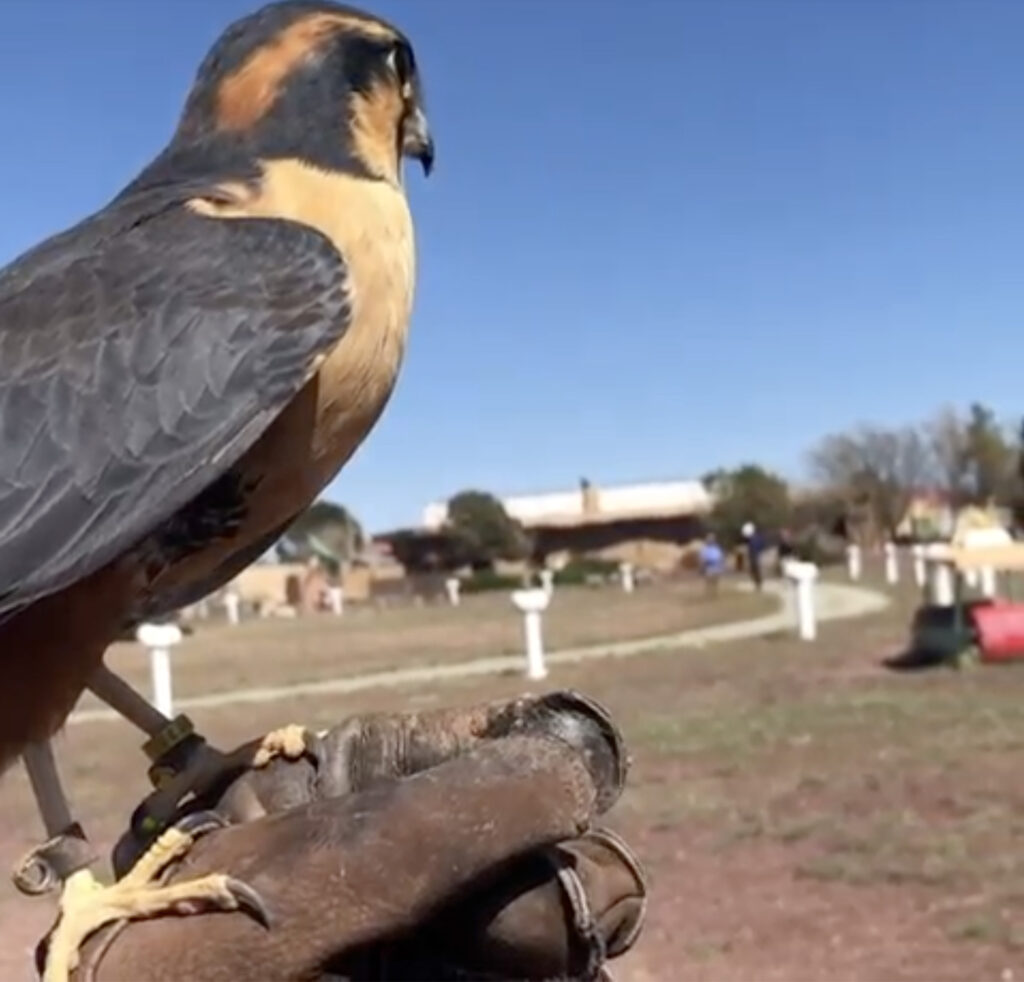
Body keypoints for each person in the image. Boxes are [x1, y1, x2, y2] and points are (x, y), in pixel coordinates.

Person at [742, 521, 766, 591]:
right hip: (754, 555)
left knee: (755, 570)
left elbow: (757, 547)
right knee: (754, 571)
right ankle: (758, 584)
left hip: (755, 556)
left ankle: (758, 584)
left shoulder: (754, 539)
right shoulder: (754, 538)